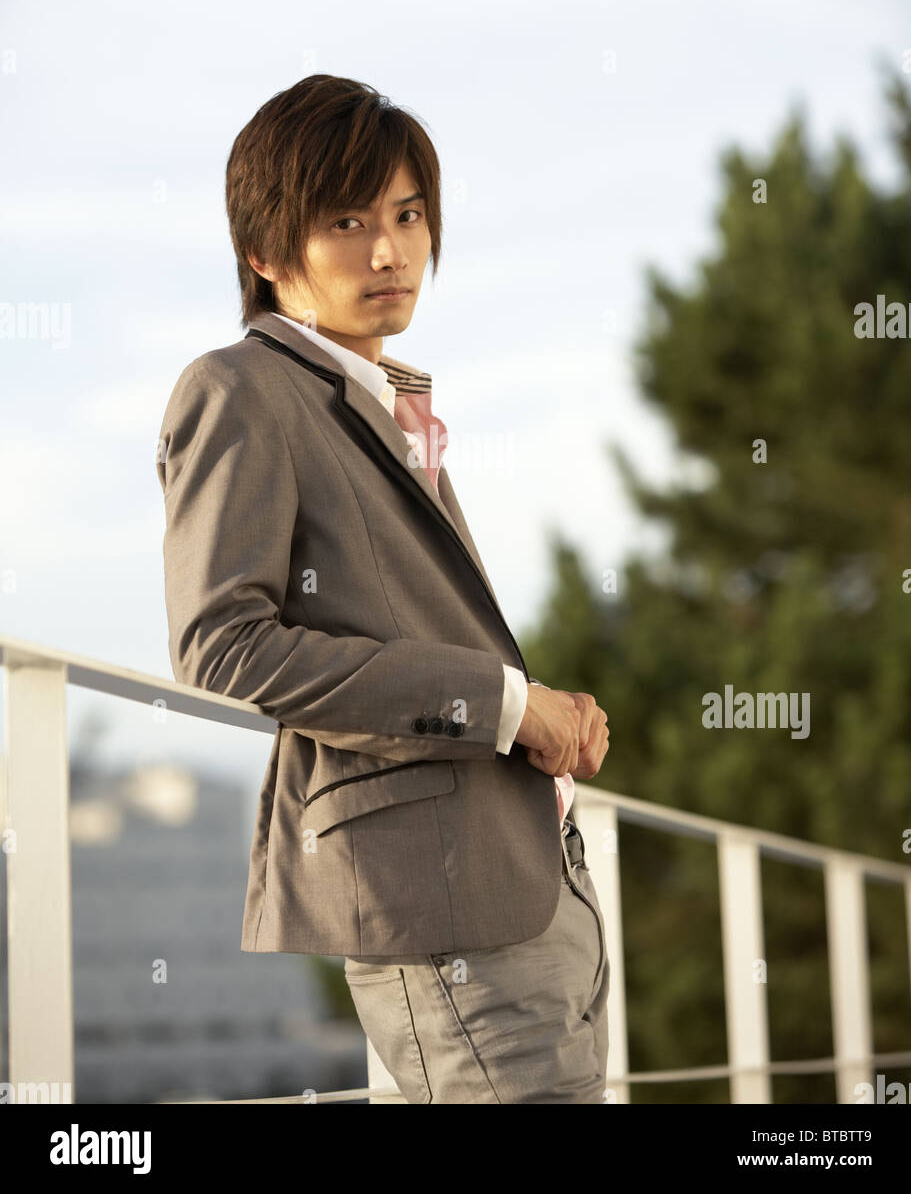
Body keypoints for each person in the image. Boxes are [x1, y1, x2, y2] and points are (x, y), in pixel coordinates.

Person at [156, 73, 611, 1103]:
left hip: (535, 879)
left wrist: (543, 714)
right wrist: (502, 702)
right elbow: (224, 645)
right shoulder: (238, 388)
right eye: (347, 221)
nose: (389, 250)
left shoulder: (381, 398)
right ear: (266, 254)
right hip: (437, 900)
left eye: (407, 215)